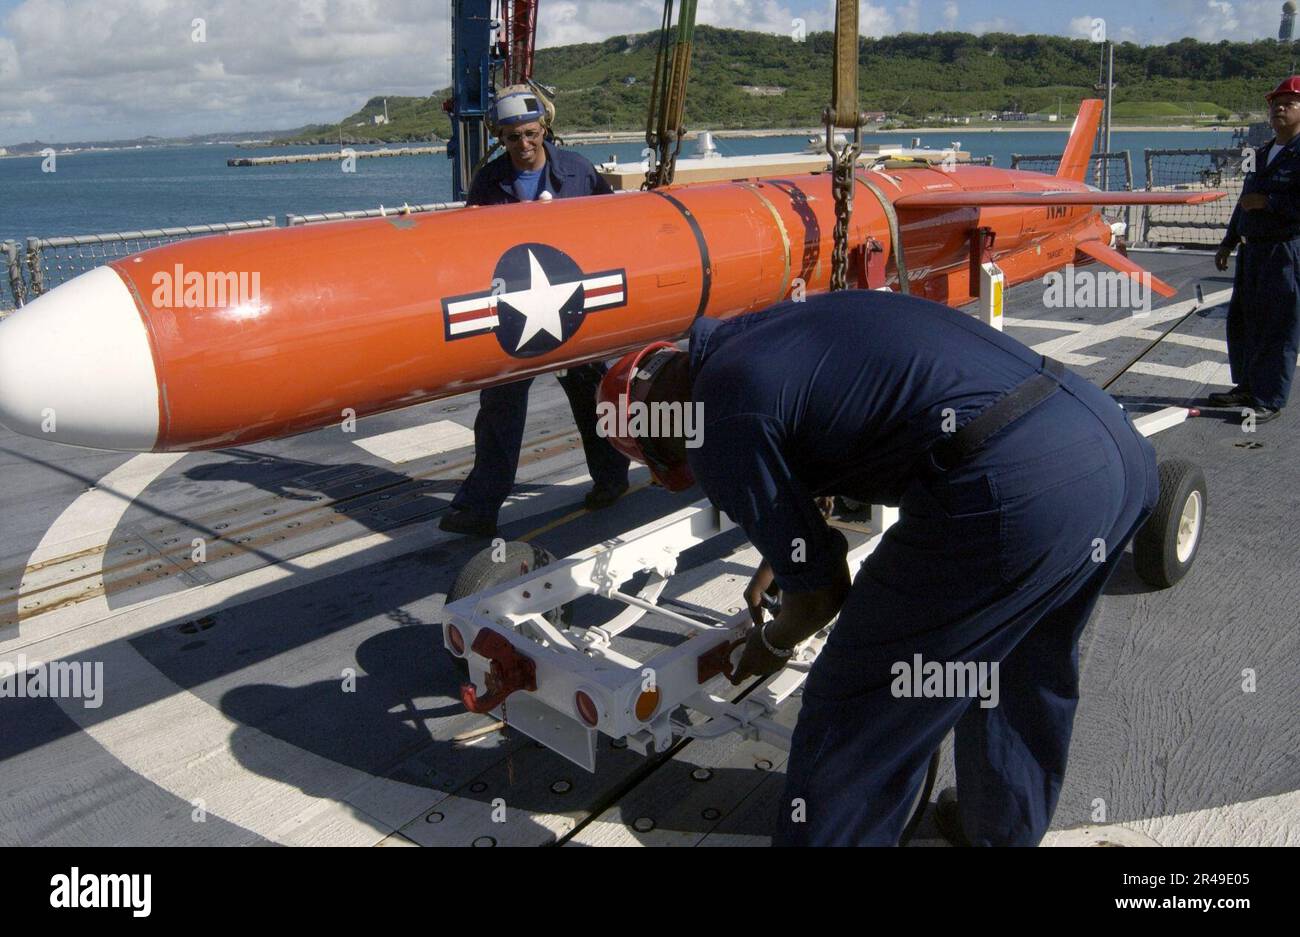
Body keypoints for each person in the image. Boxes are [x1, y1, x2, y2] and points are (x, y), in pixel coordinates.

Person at [597, 290, 1159, 846]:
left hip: (1013, 490)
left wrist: (774, 641)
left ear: (661, 440)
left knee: (861, 707)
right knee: (1023, 665)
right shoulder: (764, 338)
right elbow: (811, 464)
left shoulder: (715, 420)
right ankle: (1000, 829)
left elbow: (821, 596)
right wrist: (784, 558)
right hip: (1111, 450)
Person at [440, 85, 630, 538]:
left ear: (545, 128)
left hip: (574, 308)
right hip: (516, 314)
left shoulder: (579, 172)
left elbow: (611, 225)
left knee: (596, 398)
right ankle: (480, 508)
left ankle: (612, 480)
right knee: (499, 412)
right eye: (512, 138)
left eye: (530, 133)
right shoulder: (489, 181)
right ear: (500, 139)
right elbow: (473, 247)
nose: (523, 145)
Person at [1211, 76, 1300, 424]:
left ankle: (1270, 398)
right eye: (1275, 103)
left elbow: (1264, 201)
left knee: (1279, 325)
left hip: (1284, 251)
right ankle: (1247, 386)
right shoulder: (1260, 154)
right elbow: (1244, 203)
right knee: (1245, 320)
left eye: (1289, 103)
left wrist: (1270, 201)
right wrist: (1229, 240)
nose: (1279, 108)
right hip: (1252, 252)